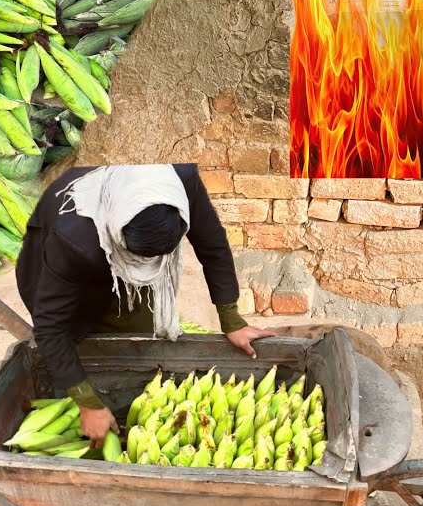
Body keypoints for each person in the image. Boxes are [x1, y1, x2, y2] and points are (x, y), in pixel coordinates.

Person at [15, 164, 275, 446]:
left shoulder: (180, 183)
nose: (143, 268)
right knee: (80, 338)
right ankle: (88, 407)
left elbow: (212, 245)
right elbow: (50, 326)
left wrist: (231, 318)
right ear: (119, 234)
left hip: (119, 248)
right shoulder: (73, 237)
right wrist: (87, 402)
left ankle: (124, 414)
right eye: (135, 260)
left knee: (138, 339)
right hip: (69, 262)